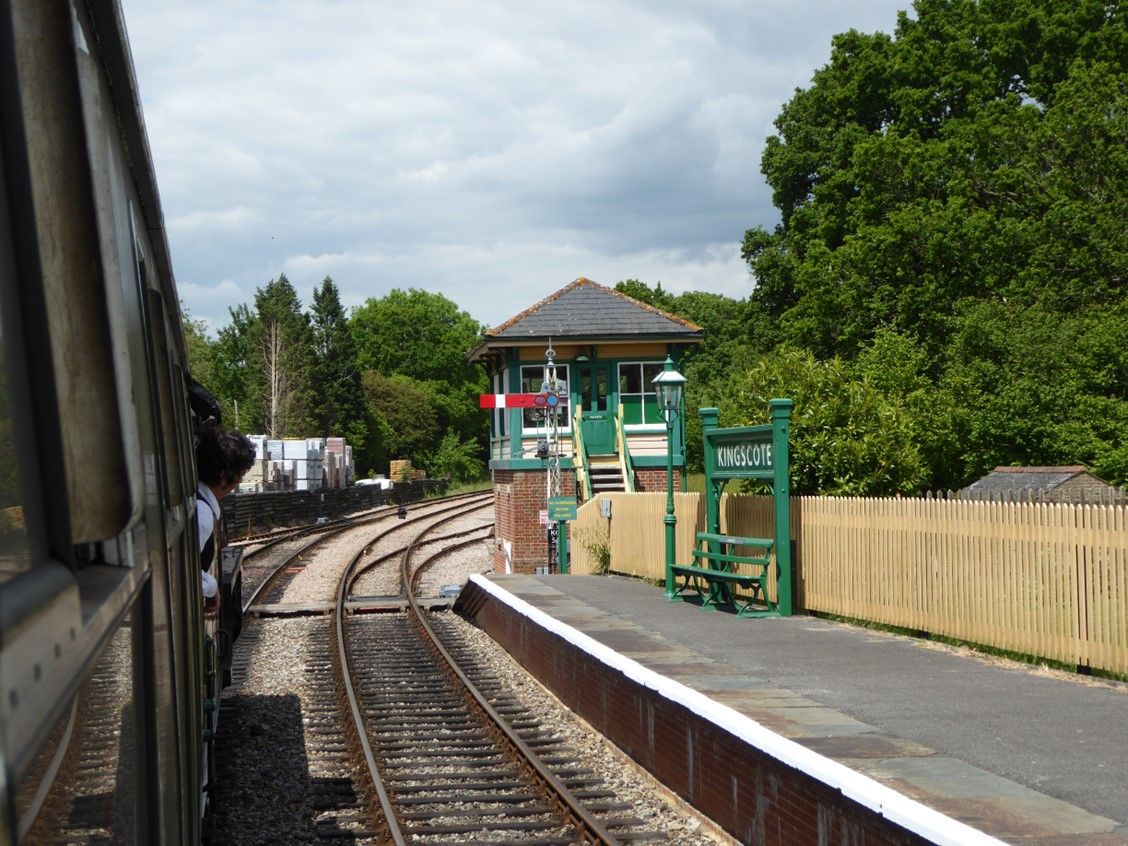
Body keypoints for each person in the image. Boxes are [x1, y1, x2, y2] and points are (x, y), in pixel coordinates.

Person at [196, 423, 256, 611]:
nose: (236, 484)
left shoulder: (197, 501)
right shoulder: (202, 513)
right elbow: (179, 573)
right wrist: (211, 587)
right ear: (223, 477)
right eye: (238, 477)